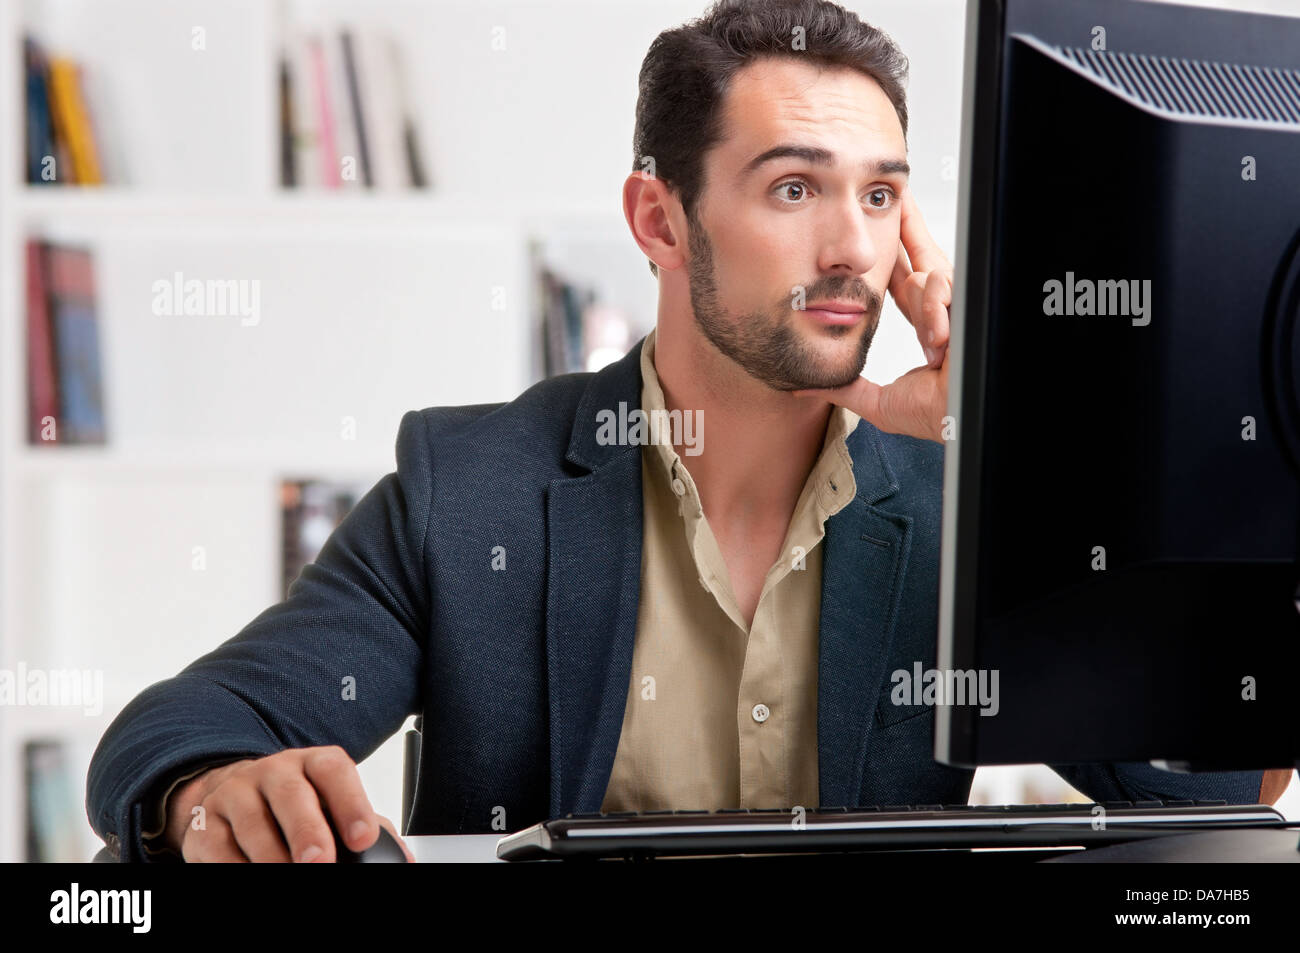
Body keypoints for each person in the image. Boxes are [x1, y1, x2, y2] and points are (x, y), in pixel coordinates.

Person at [86, 0, 1289, 863]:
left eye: (878, 193)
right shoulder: (475, 488)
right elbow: (172, 733)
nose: (851, 250)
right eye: (792, 187)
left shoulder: (953, 500)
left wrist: (1038, 455)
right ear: (658, 221)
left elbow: (1217, 792)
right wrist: (207, 791)